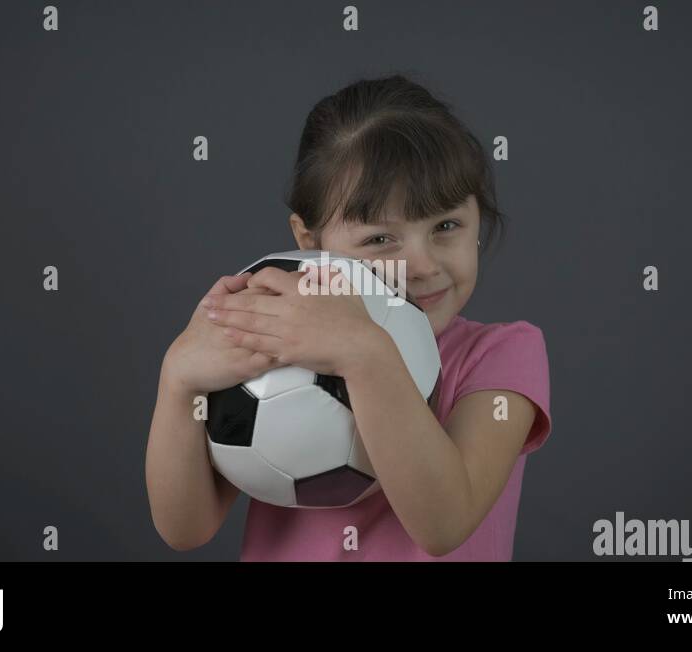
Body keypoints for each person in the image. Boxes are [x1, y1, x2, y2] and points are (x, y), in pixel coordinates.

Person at [146, 73, 552, 560]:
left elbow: (444, 523)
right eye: (380, 239)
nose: (422, 266)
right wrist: (178, 383)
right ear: (310, 244)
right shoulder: (278, 339)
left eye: (446, 226)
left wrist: (364, 353)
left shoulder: (502, 356)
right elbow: (186, 529)